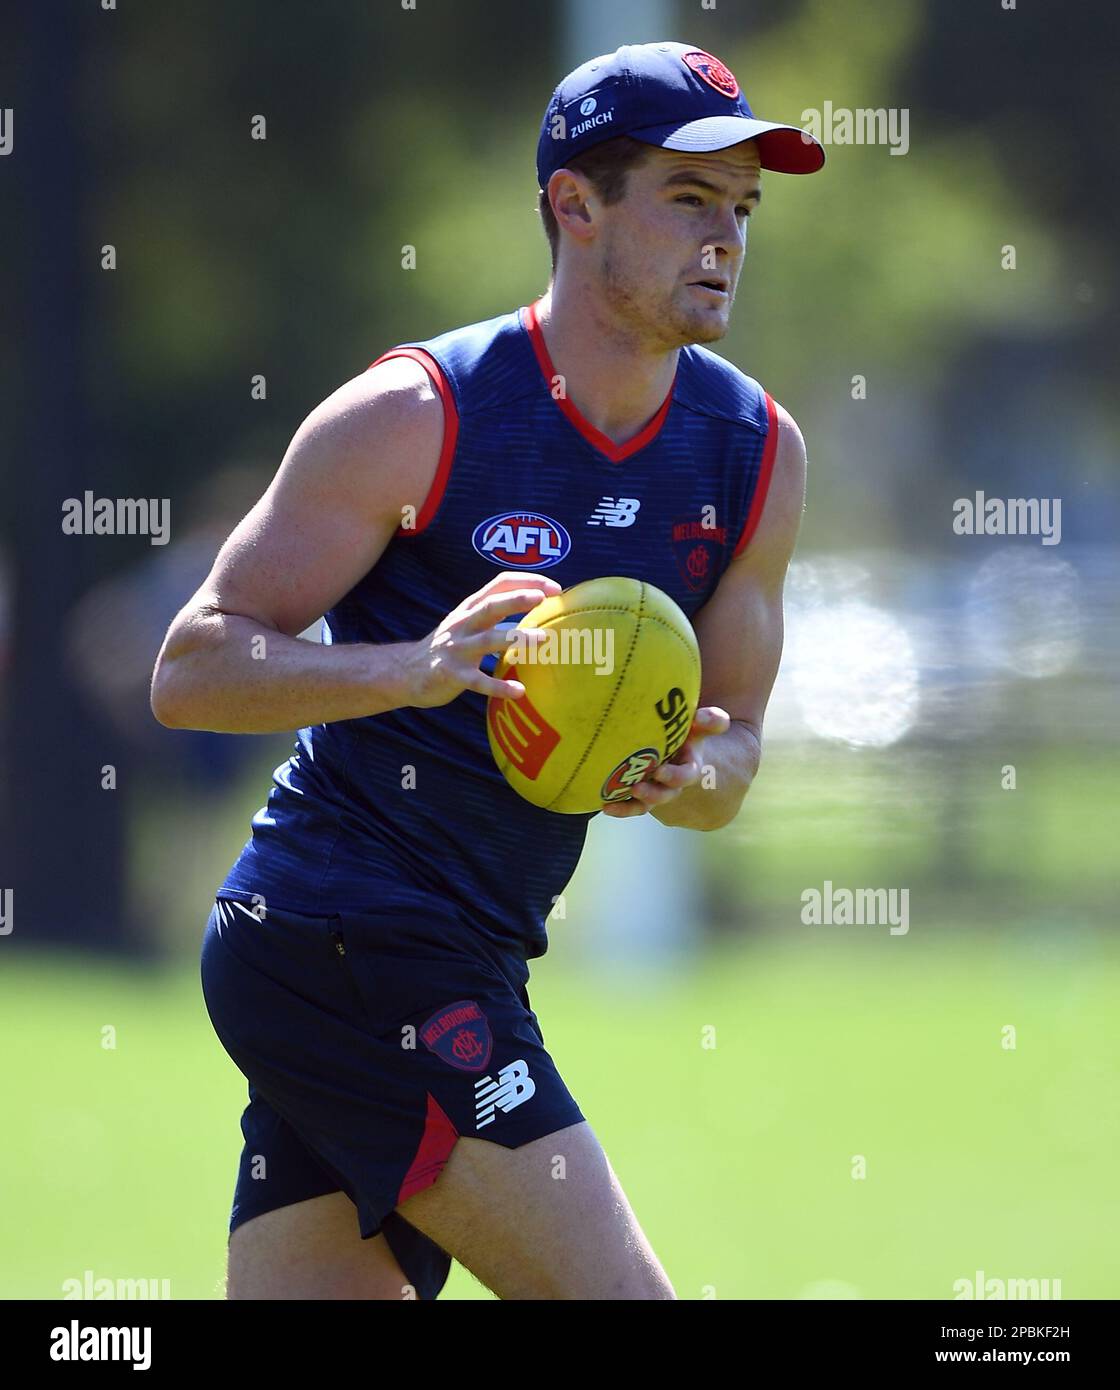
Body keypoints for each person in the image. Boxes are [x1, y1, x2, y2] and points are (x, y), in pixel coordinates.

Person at [150, 40, 823, 1301]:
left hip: (464, 945)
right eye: (687, 200)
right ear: (575, 205)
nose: (725, 238)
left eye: (741, 209)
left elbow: (735, 762)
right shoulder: (419, 414)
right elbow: (191, 667)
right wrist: (412, 667)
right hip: (341, 930)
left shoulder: (752, 454)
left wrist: (685, 771)